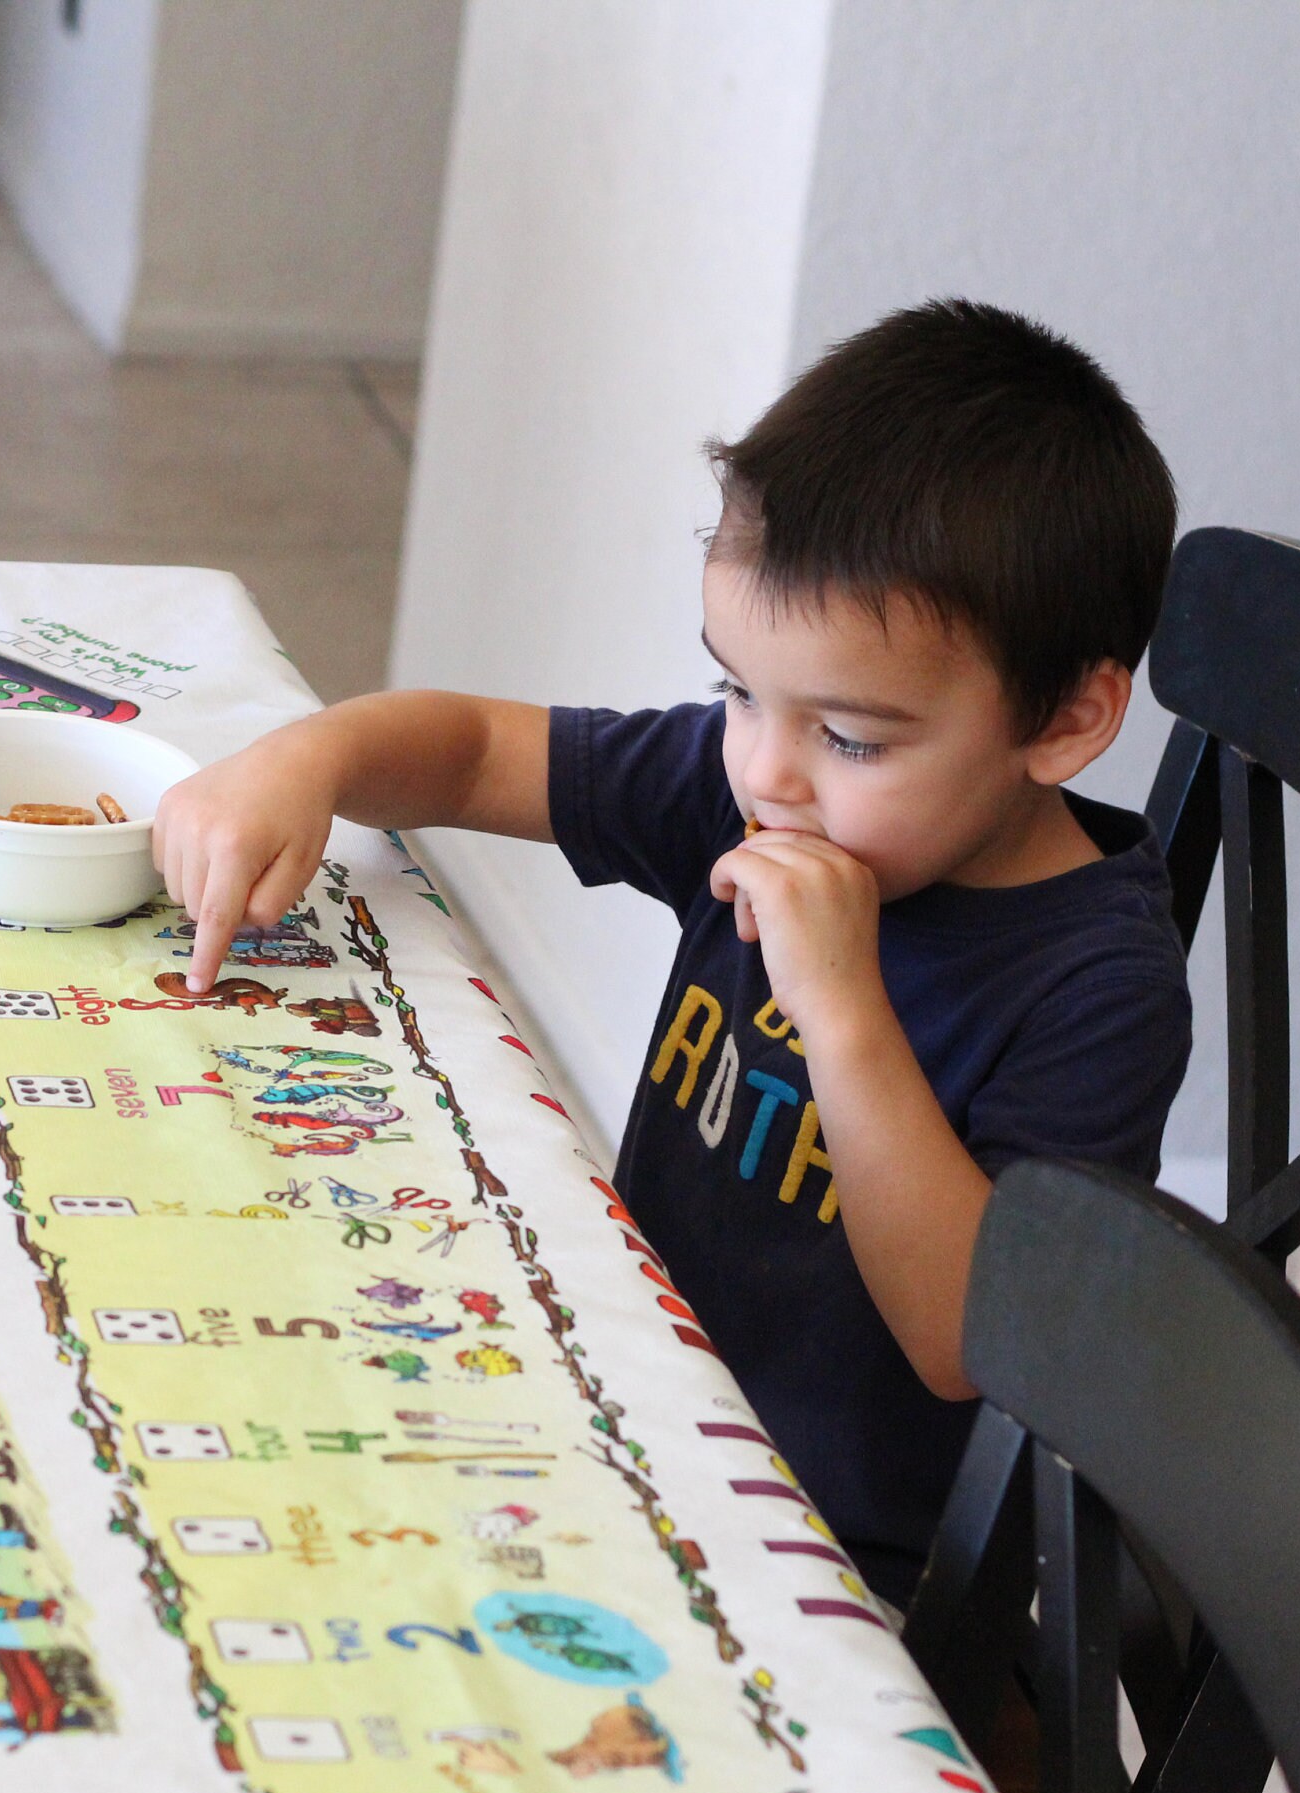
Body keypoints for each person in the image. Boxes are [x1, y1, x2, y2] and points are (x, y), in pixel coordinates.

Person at [154, 299, 1190, 1605]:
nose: (766, 768)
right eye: (737, 691)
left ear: (1066, 719)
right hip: (624, 1406)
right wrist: (304, 760)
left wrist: (840, 1005)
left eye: (854, 738)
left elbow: (961, 1339)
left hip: (831, 1562)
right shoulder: (769, 784)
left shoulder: (1100, 985)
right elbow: (476, 753)